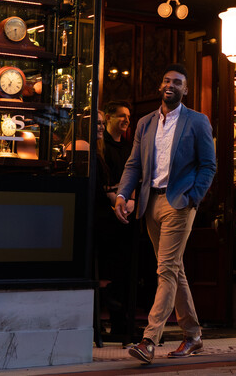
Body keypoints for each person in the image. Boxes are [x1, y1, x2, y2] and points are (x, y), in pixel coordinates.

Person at [113, 65, 216, 363]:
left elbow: (208, 165)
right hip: (149, 203)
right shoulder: (145, 124)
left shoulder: (197, 121)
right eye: (167, 80)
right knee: (173, 269)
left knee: (166, 269)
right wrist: (123, 194)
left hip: (178, 203)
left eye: (178, 82)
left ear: (186, 90)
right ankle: (193, 334)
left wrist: (192, 198)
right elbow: (133, 165)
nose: (172, 85)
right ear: (161, 86)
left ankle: (149, 340)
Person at [96, 101, 136, 341]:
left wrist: (131, 201)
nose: (126, 121)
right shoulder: (101, 147)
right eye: (121, 116)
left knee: (125, 271)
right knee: (106, 270)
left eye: (128, 117)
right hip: (107, 215)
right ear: (109, 118)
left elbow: (136, 176)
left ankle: (122, 324)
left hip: (128, 213)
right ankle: (100, 322)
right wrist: (118, 202)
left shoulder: (131, 147)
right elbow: (104, 184)